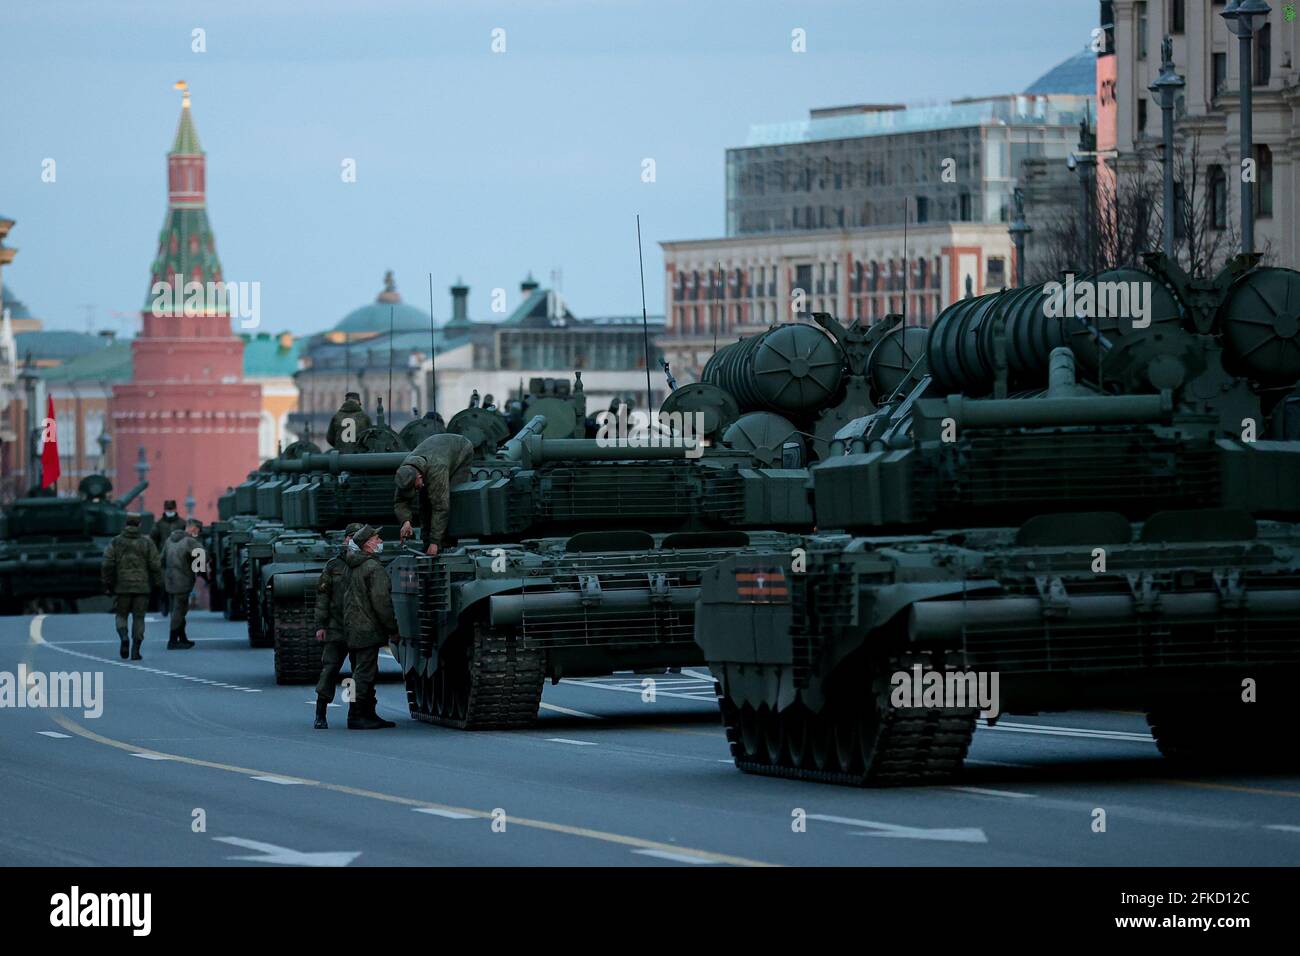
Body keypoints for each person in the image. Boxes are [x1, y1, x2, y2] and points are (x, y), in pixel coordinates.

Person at [342, 525, 397, 730]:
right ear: (367, 544)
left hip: (353, 625)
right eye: (376, 538)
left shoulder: (351, 565)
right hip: (367, 627)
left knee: (359, 672)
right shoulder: (373, 568)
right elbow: (382, 603)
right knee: (364, 674)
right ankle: (356, 715)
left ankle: (364, 713)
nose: (380, 541)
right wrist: (393, 628)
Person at [312, 522, 362, 729]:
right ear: (345, 539)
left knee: (357, 673)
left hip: (359, 628)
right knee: (330, 669)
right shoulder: (334, 566)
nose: (353, 542)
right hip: (335, 626)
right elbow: (323, 597)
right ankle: (320, 712)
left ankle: (353, 711)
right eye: (351, 537)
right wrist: (321, 625)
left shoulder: (366, 563)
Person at [393, 433, 474, 556]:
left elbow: (441, 508)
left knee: (450, 498)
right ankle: (427, 545)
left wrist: (435, 542)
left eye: (415, 487)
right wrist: (406, 521)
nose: (414, 491)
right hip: (437, 450)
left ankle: (445, 545)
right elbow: (400, 501)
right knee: (425, 501)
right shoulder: (406, 471)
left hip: (460, 449)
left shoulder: (437, 470)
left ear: (419, 476)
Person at [101, 513, 162, 660]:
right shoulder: (147, 543)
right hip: (142, 587)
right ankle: (136, 651)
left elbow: (107, 564)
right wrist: (159, 583)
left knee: (121, 615)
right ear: (139, 525)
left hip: (122, 587)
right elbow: (155, 565)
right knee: (139, 618)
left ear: (125, 524)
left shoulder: (115, 542)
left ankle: (124, 637)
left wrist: (108, 583)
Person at [162, 518, 205, 649]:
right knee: (179, 611)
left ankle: (183, 638)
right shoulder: (190, 541)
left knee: (176, 610)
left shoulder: (169, 540)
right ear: (193, 528)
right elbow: (202, 555)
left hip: (170, 580)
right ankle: (173, 640)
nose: (198, 532)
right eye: (198, 530)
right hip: (183, 580)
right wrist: (199, 570)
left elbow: (161, 559)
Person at [149, 501, 184, 612]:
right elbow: (153, 539)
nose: (170, 512)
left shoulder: (182, 524)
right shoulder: (159, 524)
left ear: (175, 509)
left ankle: (175, 606)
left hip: (179, 557)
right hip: (164, 557)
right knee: (164, 583)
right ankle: (164, 601)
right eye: (168, 510)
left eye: (171, 509)